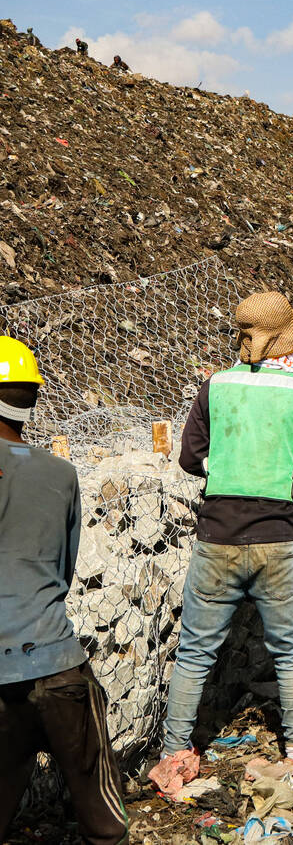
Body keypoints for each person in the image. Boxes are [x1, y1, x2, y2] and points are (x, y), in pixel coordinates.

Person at [160, 291, 293, 771]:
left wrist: (228, 473)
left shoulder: (214, 386)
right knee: (290, 650)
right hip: (279, 537)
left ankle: (173, 752)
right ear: (288, 342)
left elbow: (188, 458)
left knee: (195, 652)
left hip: (216, 534)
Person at [0, 338, 129, 845]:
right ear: (31, 399)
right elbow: (64, 569)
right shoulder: (60, 474)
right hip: (55, 663)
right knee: (100, 806)